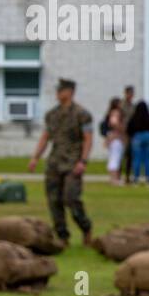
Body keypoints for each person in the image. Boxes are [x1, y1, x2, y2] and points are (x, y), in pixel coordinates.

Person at [28, 78, 93, 246]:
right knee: (53, 200)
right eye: (57, 90)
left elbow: (87, 139)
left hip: (72, 163)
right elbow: (45, 137)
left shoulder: (82, 114)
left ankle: (85, 227)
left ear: (70, 92)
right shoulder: (52, 115)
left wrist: (83, 161)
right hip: (55, 162)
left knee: (71, 198)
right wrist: (35, 157)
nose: (57, 94)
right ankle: (62, 236)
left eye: (61, 90)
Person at [126, 100, 149, 185]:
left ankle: (136, 179)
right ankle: (148, 179)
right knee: (148, 159)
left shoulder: (134, 117)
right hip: (148, 136)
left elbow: (129, 128)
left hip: (137, 137)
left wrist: (132, 137)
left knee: (137, 159)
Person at [103, 99, 125, 186]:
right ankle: (114, 179)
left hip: (113, 137)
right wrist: (122, 129)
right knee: (115, 158)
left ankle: (114, 178)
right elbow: (114, 123)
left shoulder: (111, 112)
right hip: (116, 137)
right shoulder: (115, 113)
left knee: (113, 158)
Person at [120, 85, 136, 184]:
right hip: (122, 133)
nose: (130, 95)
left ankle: (128, 176)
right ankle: (118, 175)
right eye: (129, 93)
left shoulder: (133, 106)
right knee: (122, 155)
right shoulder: (121, 106)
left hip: (131, 133)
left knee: (130, 156)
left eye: (132, 93)